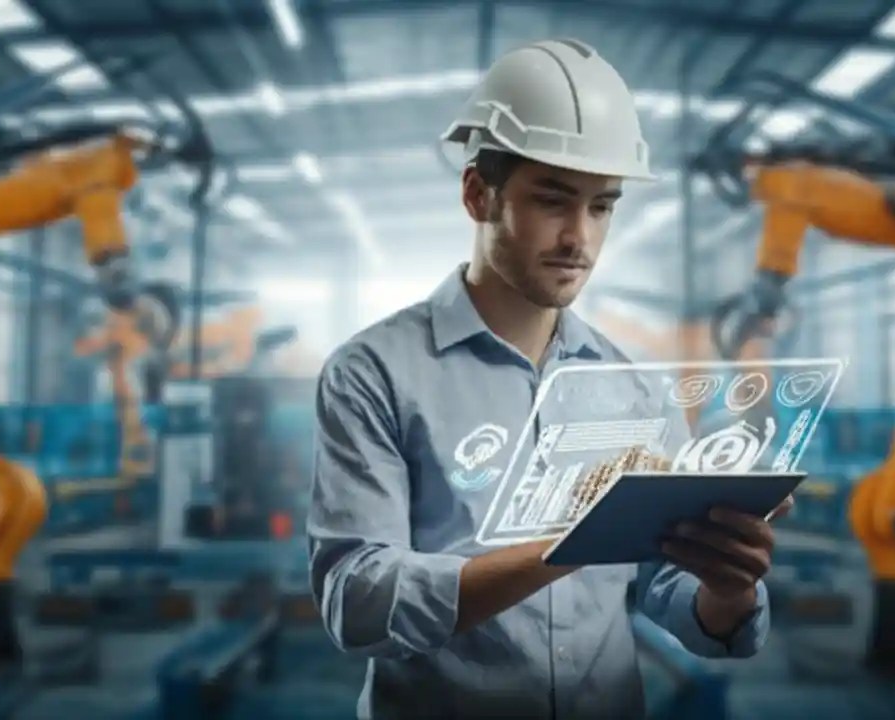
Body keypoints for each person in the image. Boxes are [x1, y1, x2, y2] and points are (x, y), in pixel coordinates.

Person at [307, 38, 789, 719]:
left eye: (601, 207)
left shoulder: (636, 390)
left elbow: (668, 594)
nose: (579, 239)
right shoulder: (374, 374)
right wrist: (573, 543)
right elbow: (357, 602)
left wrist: (727, 585)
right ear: (478, 194)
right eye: (553, 201)